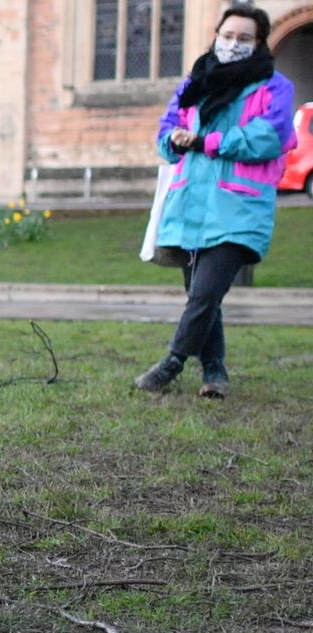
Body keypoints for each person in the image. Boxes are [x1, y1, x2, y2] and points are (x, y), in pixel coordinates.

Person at [135, 4, 295, 399]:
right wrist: (173, 140)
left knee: (206, 292)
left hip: (240, 207)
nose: (233, 44)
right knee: (202, 296)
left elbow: (269, 137)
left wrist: (207, 142)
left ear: (259, 43)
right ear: (216, 36)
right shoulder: (195, 83)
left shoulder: (274, 87)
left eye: (244, 38)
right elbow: (167, 130)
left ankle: (172, 363)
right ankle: (215, 371)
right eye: (227, 36)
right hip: (189, 203)